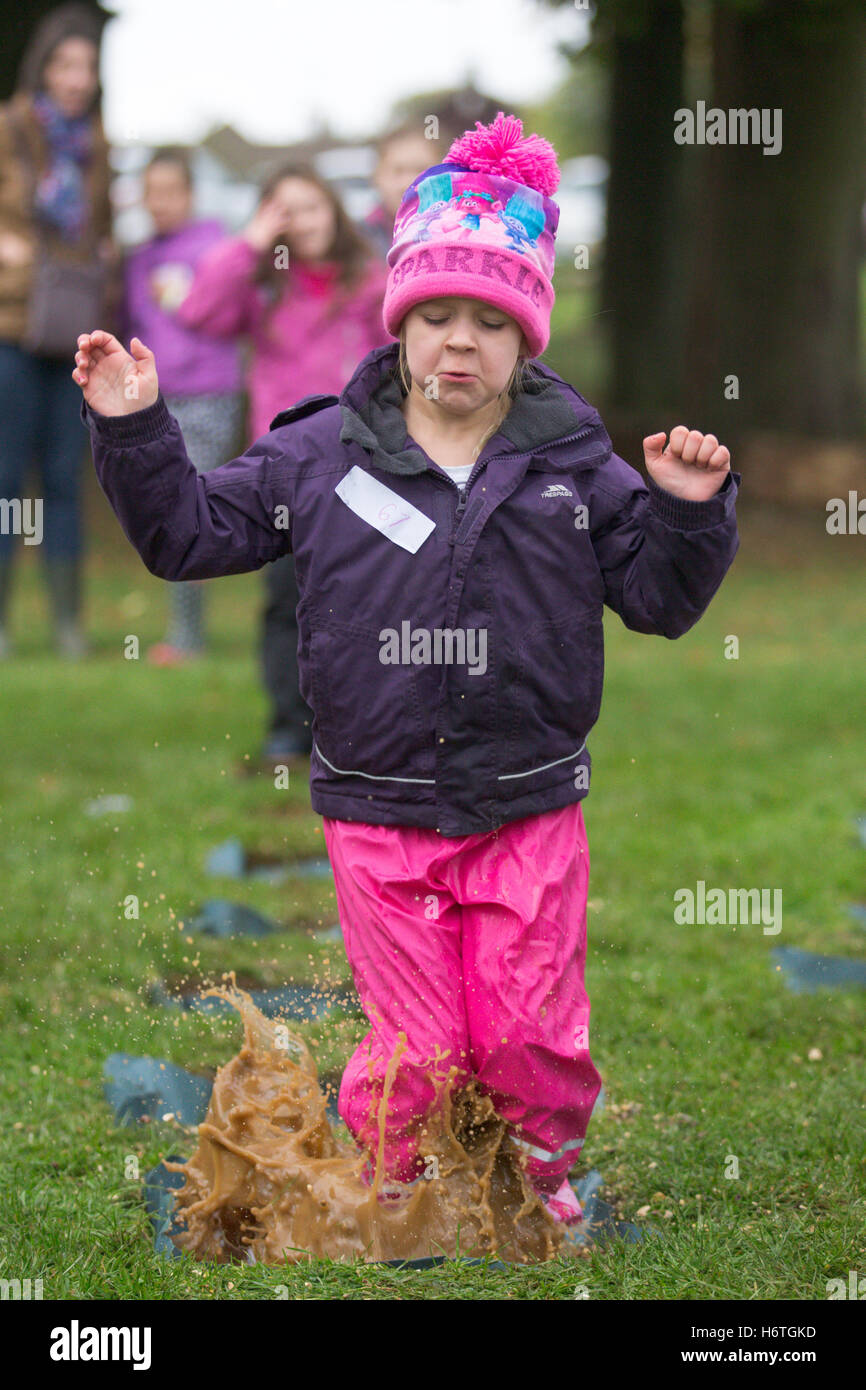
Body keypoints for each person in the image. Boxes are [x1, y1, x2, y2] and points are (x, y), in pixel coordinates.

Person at [73, 113, 741, 1239]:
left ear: (526, 337)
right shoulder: (321, 450)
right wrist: (138, 432)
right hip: (376, 811)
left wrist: (684, 511)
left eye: (490, 320)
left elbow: (661, 602)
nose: (460, 342)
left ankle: (535, 1176)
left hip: (526, 801)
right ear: (400, 320)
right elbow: (188, 536)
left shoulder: (570, 460)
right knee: (419, 1049)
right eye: (436, 315)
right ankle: (392, 1187)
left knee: (528, 1034)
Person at [174, 164, 387, 759]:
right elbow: (199, 312)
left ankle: (361, 728)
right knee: (286, 599)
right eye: (286, 210)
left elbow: (401, 354)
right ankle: (288, 728)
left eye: (313, 206)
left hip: (364, 463)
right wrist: (248, 243)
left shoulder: (370, 278)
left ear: (335, 211)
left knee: (367, 598)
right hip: (288, 469)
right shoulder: (263, 284)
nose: (304, 221)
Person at [0, 3, 116, 659]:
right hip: (12, 326)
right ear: (43, 66)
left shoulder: (96, 144)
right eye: (67, 64)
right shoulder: (9, 129)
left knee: (68, 477)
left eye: (88, 68)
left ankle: (70, 626)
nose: (77, 78)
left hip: (73, 331)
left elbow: (99, 233)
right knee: (6, 477)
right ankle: (4, 625)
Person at [121, 147, 244, 664]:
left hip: (209, 395)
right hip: (156, 400)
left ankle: (188, 639)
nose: (161, 202)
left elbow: (233, 315)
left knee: (187, 511)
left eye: (171, 191)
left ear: (191, 195)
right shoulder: (139, 258)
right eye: (152, 192)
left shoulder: (217, 248)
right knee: (166, 511)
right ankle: (185, 634)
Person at [362, 124, 441, 258]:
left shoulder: (463, 232)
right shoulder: (357, 241)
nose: (409, 182)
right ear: (377, 177)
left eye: (420, 170)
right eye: (398, 171)